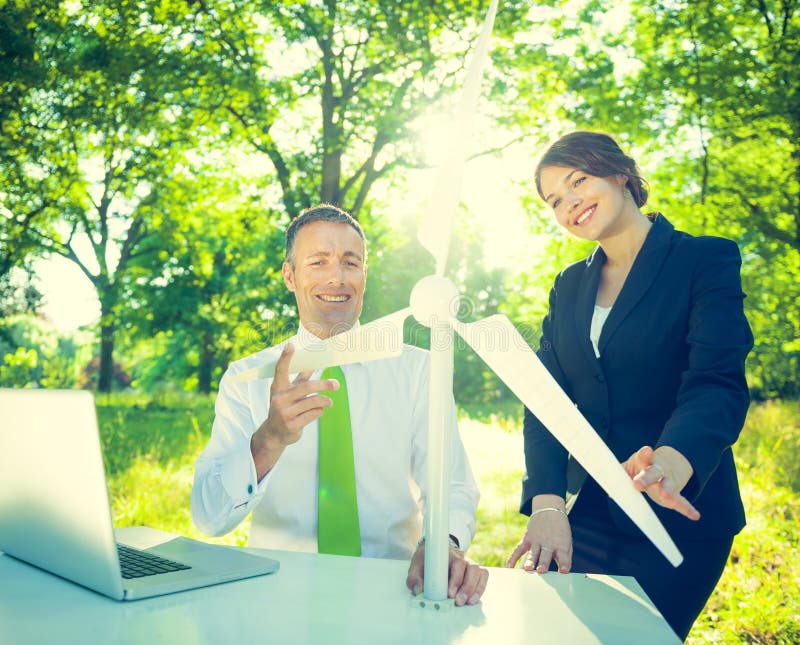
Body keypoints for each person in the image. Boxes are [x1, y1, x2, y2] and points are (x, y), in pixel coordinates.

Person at [505, 131, 753, 640]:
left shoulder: (704, 261)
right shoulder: (568, 285)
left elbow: (715, 382)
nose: (569, 203)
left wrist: (671, 460)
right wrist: (549, 504)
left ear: (619, 173)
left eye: (578, 181)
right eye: (555, 199)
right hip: (594, 512)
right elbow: (545, 401)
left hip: (682, 516)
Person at [192, 203, 488, 606]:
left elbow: (450, 484)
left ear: (365, 274)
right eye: (318, 262)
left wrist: (442, 545)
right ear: (289, 276)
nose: (337, 277)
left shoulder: (419, 370)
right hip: (276, 595)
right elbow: (210, 517)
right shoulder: (246, 380)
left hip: (396, 590)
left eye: (351, 262)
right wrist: (269, 439)